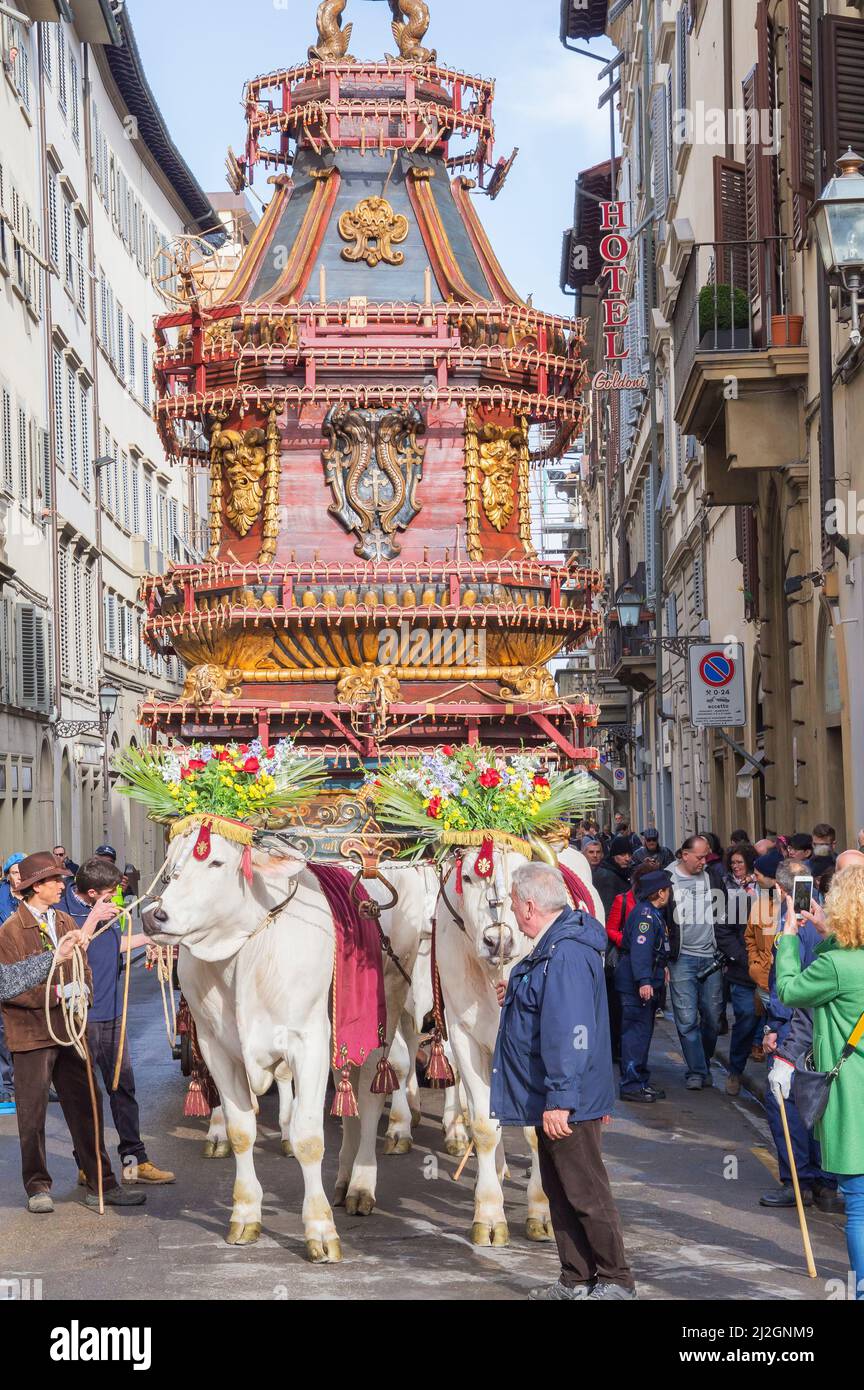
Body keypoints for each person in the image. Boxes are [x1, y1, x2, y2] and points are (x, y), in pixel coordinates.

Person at [490, 862, 636, 1301]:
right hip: (553, 1095)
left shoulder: (566, 951)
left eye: (514, 904)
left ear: (530, 905)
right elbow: (548, 1005)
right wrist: (516, 992)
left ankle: (616, 1280)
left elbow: (571, 1030)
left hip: (567, 1099)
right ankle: (576, 1278)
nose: (513, 913)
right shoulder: (554, 946)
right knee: (561, 1192)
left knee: (586, 1191)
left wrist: (561, 1099)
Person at [0, 851, 146, 1215]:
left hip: (70, 1029)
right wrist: (54, 992)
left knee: (88, 1106)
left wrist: (83, 992)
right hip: (32, 1036)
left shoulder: (64, 920)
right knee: (32, 1115)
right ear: (35, 888)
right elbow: (7, 986)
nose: (62, 884)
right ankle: (37, 1186)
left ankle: (103, 1183)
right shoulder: (10, 932)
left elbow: (85, 965)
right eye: (54, 880)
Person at [774, 865, 864, 1295]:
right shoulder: (843, 960)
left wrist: (789, 936)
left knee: (860, 1205)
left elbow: (789, 990)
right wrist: (829, 931)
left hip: (854, 1092)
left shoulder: (837, 966)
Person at [61, 858, 174, 1186]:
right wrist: (92, 920)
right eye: (110, 894)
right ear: (92, 892)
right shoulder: (62, 912)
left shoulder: (107, 909)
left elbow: (114, 946)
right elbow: (67, 953)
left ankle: (134, 1161)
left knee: (123, 1088)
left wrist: (149, 940)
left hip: (112, 1013)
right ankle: (87, 1164)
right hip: (81, 1017)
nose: (115, 900)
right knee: (85, 1095)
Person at [758, 859, 841, 1212]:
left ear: (779, 889)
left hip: (799, 1023)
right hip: (813, 1024)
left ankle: (799, 1180)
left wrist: (775, 1028)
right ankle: (823, 1182)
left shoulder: (799, 926)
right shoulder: (824, 919)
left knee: (786, 1105)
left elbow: (790, 985)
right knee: (818, 1102)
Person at [668, 835, 724, 1089]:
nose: (704, 861)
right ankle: (697, 1070)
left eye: (706, 857)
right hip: (681, 959)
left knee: (712, 1017)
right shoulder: (667, 879)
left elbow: (724, 914)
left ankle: (703, 1060)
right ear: (685, 855)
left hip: (710, 957)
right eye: (700, 857)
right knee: (687, 1017)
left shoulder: (712, 877)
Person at [614, 869, 671, 1104]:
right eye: (667, 889)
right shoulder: (646, 917)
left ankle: (639, 1080)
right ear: (660, 892)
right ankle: (632, 1084)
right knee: (635, 1035)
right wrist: (645, 981)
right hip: (635, 985)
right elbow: (640, 951)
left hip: (644, 980)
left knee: (642, 1033)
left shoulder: (652, 913)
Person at [716, 848, 761, 1096]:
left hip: (772, 976)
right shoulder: (740, 900)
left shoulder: (778, 901)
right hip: (744, 973)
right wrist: (744, 958)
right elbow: (724, 932)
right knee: (745, 1017)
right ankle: (735, 1070)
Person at [592, 836, 633, 1065]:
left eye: (628, 854)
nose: (627, 858)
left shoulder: (617, 874)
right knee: (613, 1004)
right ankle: (612, 1047)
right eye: (622, 854)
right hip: (612, 951)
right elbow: (607, 917)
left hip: (613, 948)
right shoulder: (608, 878)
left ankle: (613, 1046)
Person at [0, 852, 26, 1101]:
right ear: (7, 875)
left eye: (22, 872)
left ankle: (31, 1083)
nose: (19, 877)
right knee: (5, 1031)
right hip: (6, 971)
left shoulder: (32, 897)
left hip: (32, 970)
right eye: (15, 872)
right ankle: (6, 1086)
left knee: (31, 1028)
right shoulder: (1, 899)